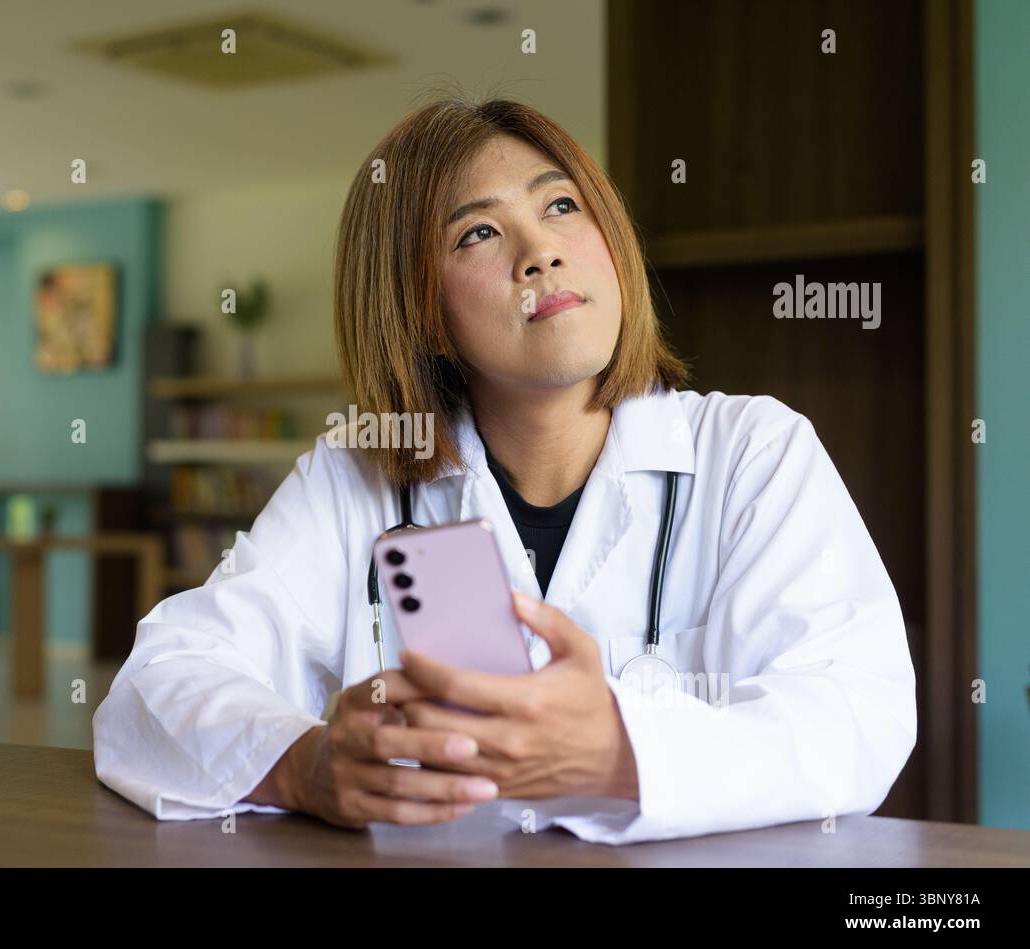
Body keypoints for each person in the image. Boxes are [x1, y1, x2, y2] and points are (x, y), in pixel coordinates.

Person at [92, 97, 916, 844]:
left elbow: (860, 714)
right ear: (421, 311)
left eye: (561, 206)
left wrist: (615, 752)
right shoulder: (354, 478)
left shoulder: (754, 452)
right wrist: (303, 764)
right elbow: (157, 685)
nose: (542, 252)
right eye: (478, 232)